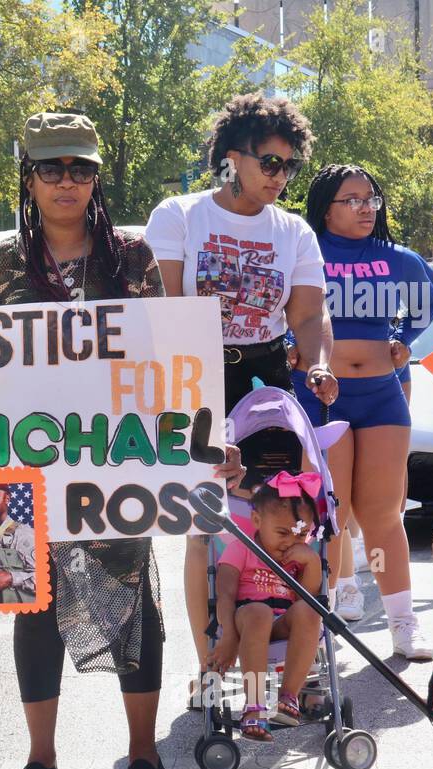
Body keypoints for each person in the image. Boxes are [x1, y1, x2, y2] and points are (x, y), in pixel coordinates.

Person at [0, 111, 246, 769]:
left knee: (133, 602)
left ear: (96, 177)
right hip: (31, 466)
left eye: (80, 168)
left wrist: (201, 441)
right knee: (33, 604)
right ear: (28, 177)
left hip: (114, 460)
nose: (67, 181)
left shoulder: (132, 256)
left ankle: (143, 751)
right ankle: (41, 759)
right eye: (52, 168)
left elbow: (161, 365)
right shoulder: (1, 264)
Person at [144, 93, 335, 705]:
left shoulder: (295, 230)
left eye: (289, 167)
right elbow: (165, 312)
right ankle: (210, 667)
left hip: (268, 380)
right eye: (271, 163)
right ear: (233, 160)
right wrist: (191, 401)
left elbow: (308, 313)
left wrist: (320, 362)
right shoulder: (179, 216)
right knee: (204, 523)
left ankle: (287, 663)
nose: (281, 177)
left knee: (285, 519)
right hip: (195, 373)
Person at [297, 164, 433, 659]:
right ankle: (327, 611)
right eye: (353, 200)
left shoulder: (397, 258)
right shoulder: (306, 252)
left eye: (371, 199)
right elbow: (283, 308)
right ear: (326, 207)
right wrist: (288, 345)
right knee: (331, 513)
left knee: (384, 514)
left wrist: (403, 339)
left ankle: (403, 624)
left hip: (383, 395)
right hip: (322, 396)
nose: (367, 208)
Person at [213, 474, 323, 741]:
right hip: (246, 619)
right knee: (259, 612)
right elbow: (224, 594)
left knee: (311, 610)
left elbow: (305, 598)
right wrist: (228, 634)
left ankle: (289, 697)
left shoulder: (300, 555)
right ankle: (254, 706)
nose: (290, 542)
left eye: (302, 534)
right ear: (257, 522)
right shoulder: (241, 549)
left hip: (282, 621)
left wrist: (312, 564)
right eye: (283, 533)